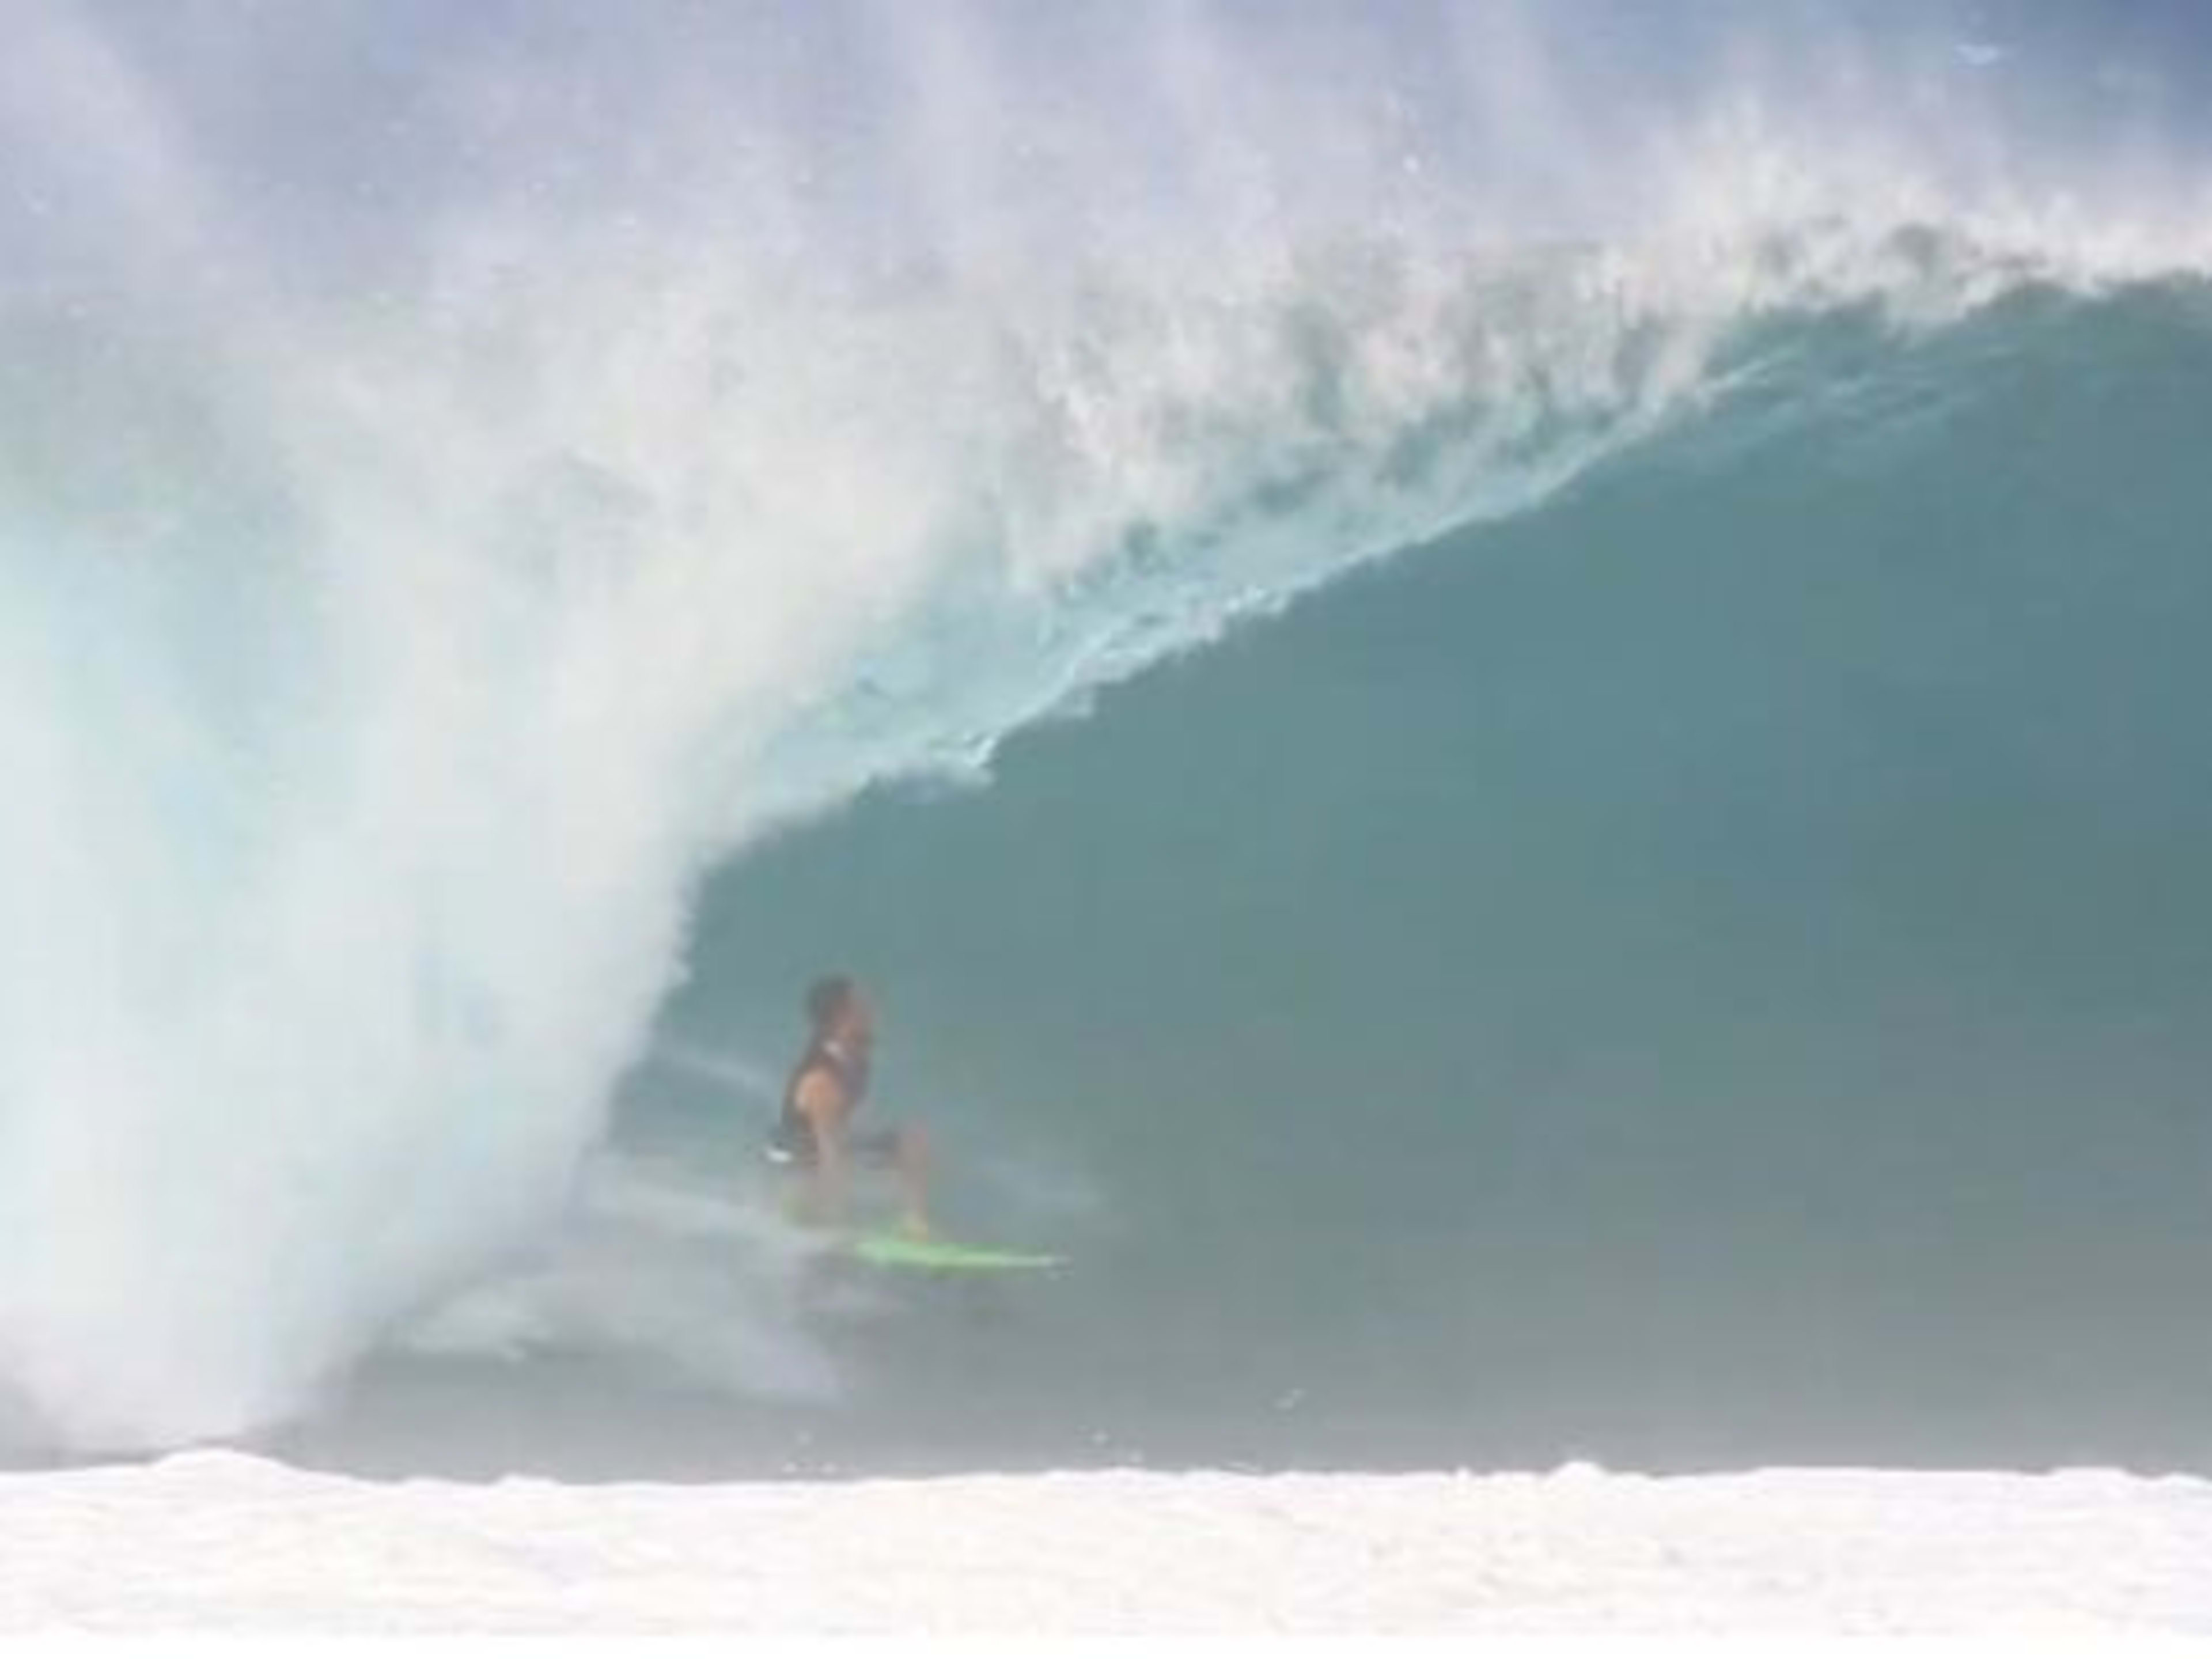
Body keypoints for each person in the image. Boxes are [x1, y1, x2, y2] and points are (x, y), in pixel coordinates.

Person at [766, 975, 932, 1237]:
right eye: (862, 1006)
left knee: (912, 1140)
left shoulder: (856, 1055)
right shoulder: (821, 1079)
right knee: (806, 1208)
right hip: (795, 1157)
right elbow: (830, 1151)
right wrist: (837, 1226)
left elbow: (841, 1137)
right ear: (840, 1019)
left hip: (822, 1146)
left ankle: (915, 1226)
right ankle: (817, 1215)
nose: (872, 1011)